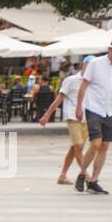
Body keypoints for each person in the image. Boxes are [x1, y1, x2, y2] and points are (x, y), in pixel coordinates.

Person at [74, 37, 112, 195]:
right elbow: (84, 85)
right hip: (94, 107)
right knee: (96, 143)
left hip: (110, 110)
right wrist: (79, 107)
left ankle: (93, 181)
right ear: (109, 49)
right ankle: (83, 173)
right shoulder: (95, 63)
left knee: (105, 146)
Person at [37, 57, 93, 186]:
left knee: (75, 148)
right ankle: (86, 175)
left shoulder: (93, 82)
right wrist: (46, 115)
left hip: (87, 118)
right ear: (83, 65)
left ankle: (62, 175)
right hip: (72, 117)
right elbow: (59, 99)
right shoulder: (71, 80)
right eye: (89, 65)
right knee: (78, 147)